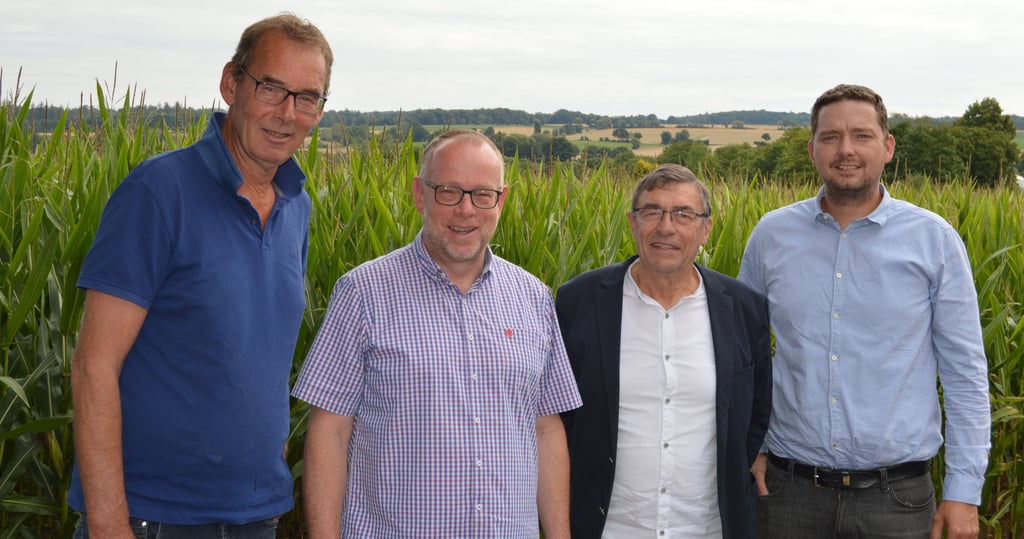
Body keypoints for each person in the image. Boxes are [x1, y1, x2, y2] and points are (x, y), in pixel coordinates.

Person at [68, 13, 333, 538]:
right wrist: (108, 525)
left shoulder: (296, 207)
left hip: (254, 516)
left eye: (308, 97)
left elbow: (263, 356)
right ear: (231, 83)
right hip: (153, 519)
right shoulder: (158, 193)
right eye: (271, 88)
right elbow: (92, 367)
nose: (287, 114)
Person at [292, 129, 583, 538]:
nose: (466, 210)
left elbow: (547, 430)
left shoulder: (533, 298)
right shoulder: (363, 292)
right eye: (448, 191)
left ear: (501, 199)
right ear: (418, 194)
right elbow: (330, 430)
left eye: (482, 194)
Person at [739, 84, 991, 539]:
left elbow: (965, 375)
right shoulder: (771, 236)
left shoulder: (933, 241)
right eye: (831, 137)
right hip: (787, 494)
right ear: (812, 149)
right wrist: (750, 447)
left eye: (862, 135)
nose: (846, 150)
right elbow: (745, 356)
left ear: (888, 146)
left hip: (896, 500)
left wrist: (964, 492)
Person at [555, 164, 772, 538]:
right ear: (632, 222)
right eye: (651, 211)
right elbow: (560, 419)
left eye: (683, 214)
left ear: (706, 228)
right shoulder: (579, 301)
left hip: (709, 529)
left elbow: (755, 412)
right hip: (611, 528)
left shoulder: (744, 308)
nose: (666, 227)